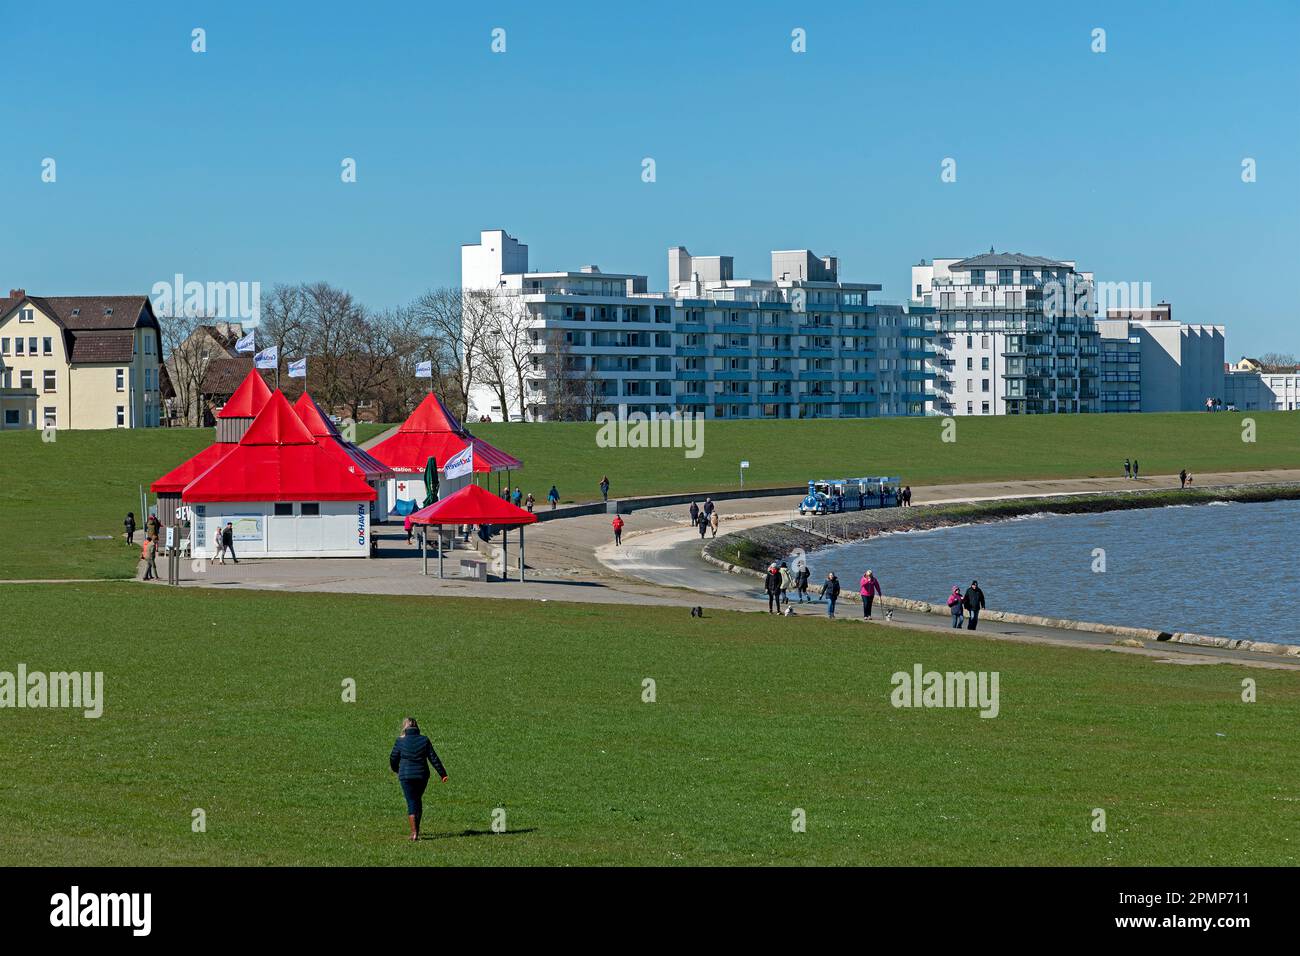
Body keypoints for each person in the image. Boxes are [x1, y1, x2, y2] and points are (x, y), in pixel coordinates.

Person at [389, 717, 447, 842]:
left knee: (411, 801)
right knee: (417, 800)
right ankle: (417, 830)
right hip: (422, 775)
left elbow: (393, 758)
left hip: (406, 776)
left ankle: (414, 832)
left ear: (405, 727)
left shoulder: (400, 741)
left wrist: (396, 769)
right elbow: (433, 758)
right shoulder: (424, 740)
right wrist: (443, 774)